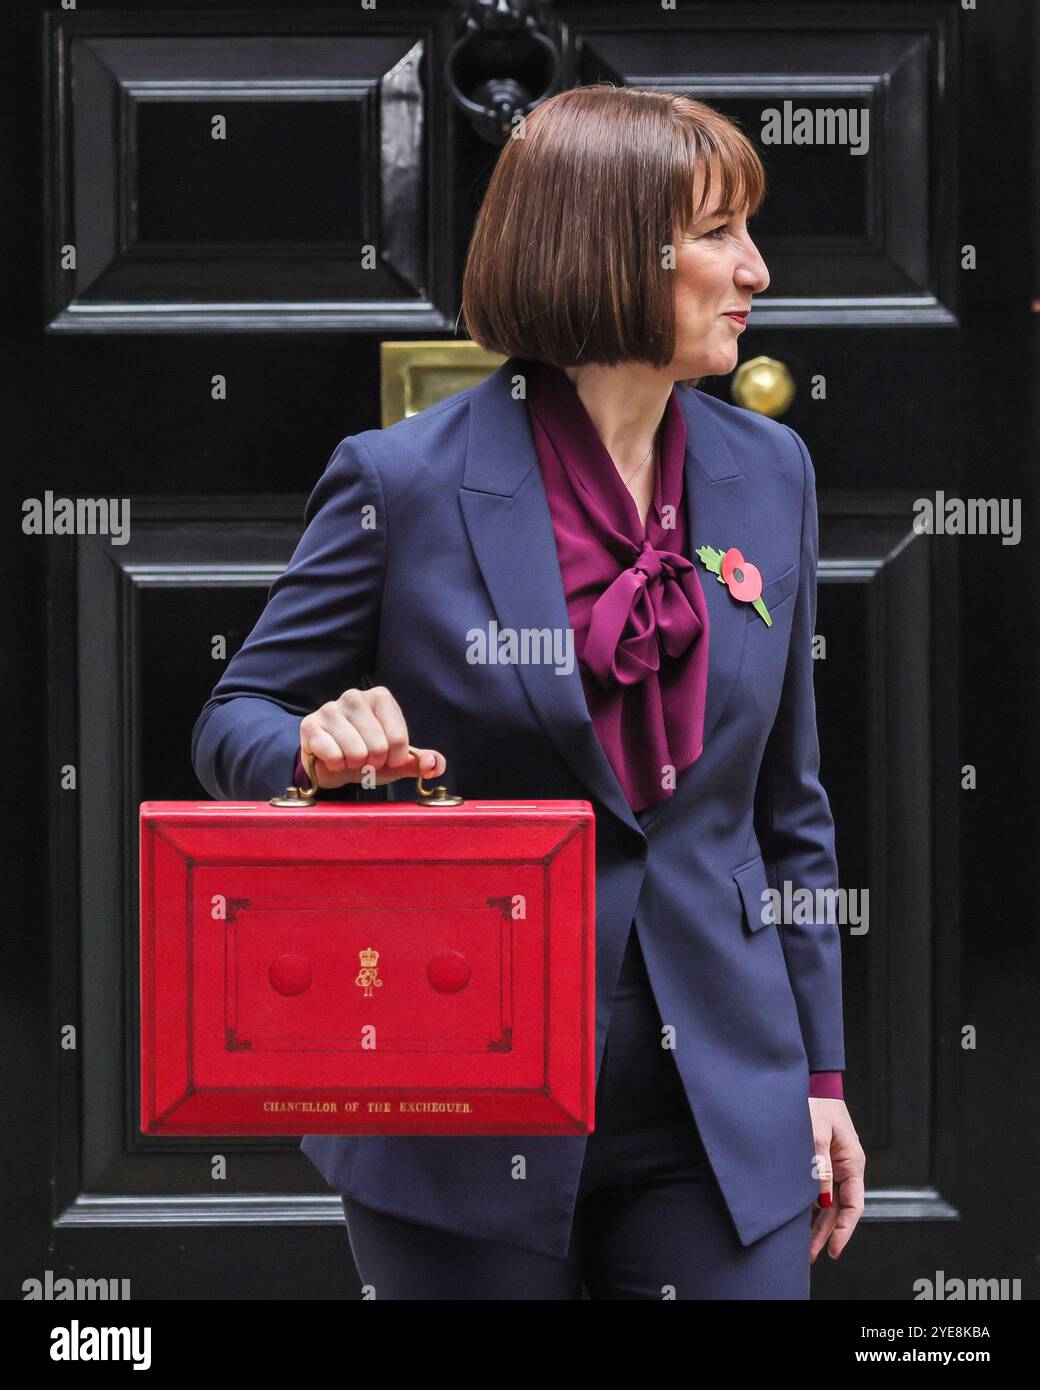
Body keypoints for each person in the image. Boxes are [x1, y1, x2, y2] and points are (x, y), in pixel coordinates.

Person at [192, 84, 866, 1299]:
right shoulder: (400, 483)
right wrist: (312, 743)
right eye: (715, 234)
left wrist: (818, 1075)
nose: (754, 271)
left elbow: (789, 810)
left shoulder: (772, 472)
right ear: (606, 246)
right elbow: (231, 720)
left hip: (721, 1107)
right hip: (459, 1101)